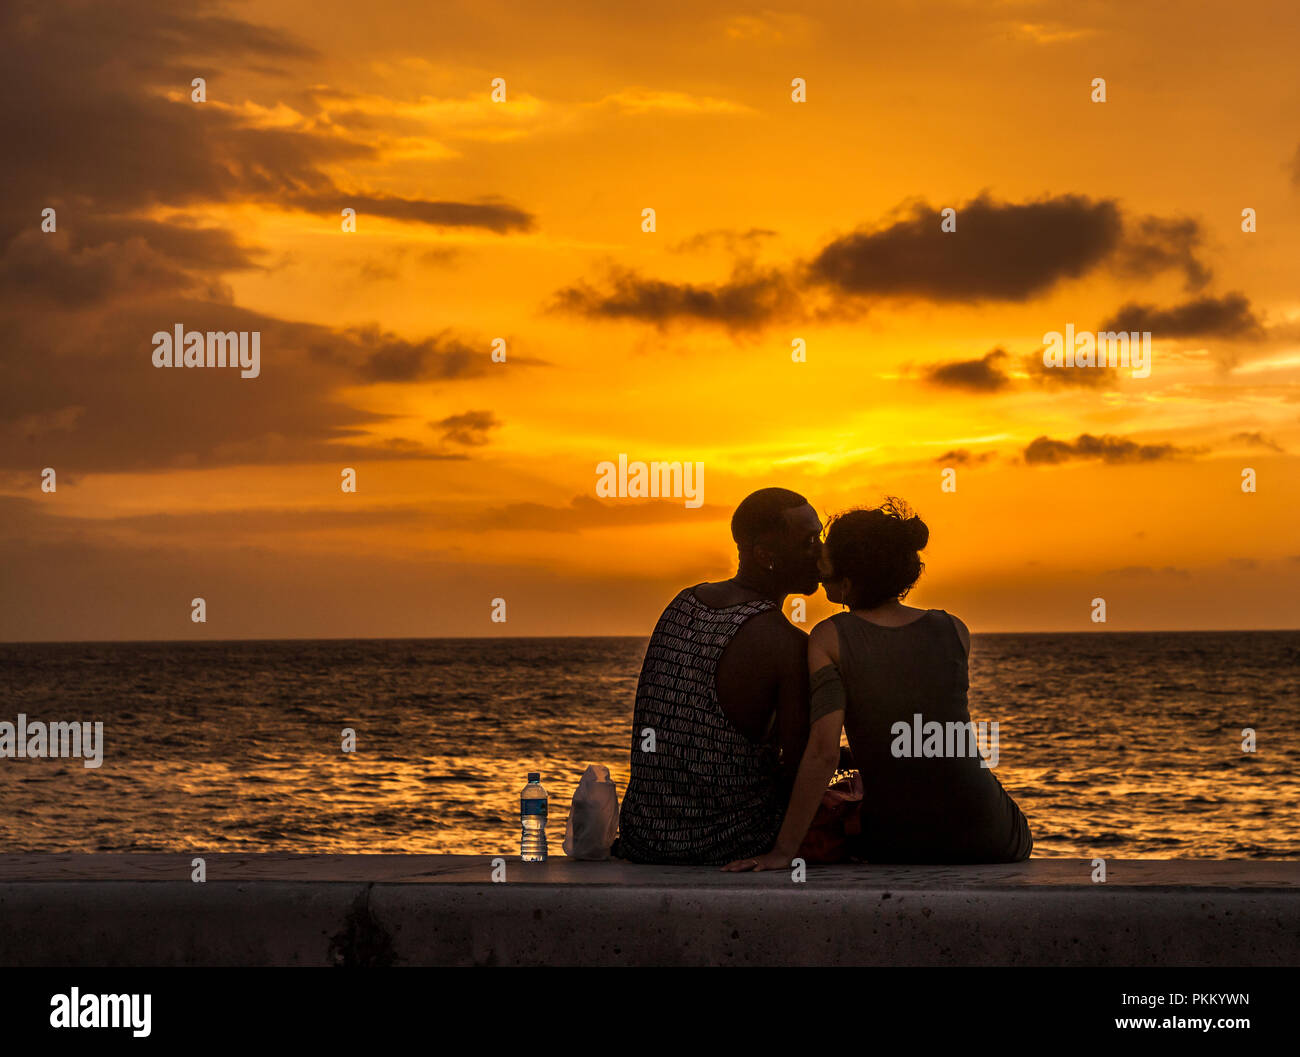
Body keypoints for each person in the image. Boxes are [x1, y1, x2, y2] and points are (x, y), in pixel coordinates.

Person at [723, 497, 1033, 870]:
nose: (819, 563)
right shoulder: (954, 629)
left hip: (898, 842)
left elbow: (822, 752)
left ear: (849, 580)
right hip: (994, 836)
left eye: (827, 556)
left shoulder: (829, 638)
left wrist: (783, 852)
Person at [613, 487, 824, 865]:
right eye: (809, 542)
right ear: (765, 556)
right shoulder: (786, 644)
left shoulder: (684, 602)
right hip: (727, 843)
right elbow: (800, 767)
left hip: (643, 837)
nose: (821, 552)